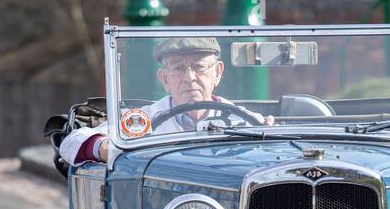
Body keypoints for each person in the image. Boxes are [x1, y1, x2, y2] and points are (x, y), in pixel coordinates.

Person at [59, 36, 270, 165]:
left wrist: (270, 135)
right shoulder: (143, 120)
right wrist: (104, 147)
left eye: (198, 66)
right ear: (164, 78)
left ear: (217, 73)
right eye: (178, 68)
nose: (189, 77)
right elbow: (70, 143)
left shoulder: (243, 120)